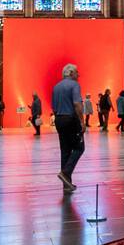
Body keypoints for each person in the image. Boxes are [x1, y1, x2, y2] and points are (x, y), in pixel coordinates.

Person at [51, 64, 85, 192]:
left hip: (59, 119)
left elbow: (53, 107)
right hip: (71, 119)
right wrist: (82, 122)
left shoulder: (56, 87)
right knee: (79, 147)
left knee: (65, 150)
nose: (78, 75)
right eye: (77, 72)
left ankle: (67, 185)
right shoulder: (74, 85)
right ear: (71, 73)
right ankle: (65, 173)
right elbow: (77, 104)